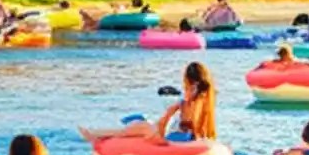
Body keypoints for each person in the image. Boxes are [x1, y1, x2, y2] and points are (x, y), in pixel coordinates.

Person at [79, 61, 217, 143]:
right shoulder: (207, 102)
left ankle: (95, 135)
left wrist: (166, 117)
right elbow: (204, 132)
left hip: (170, 139)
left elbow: (165, 130)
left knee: (134, 129)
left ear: (188, 82)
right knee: (139, 127)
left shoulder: (185, 104)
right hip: (179, 137)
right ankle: (96, 135)